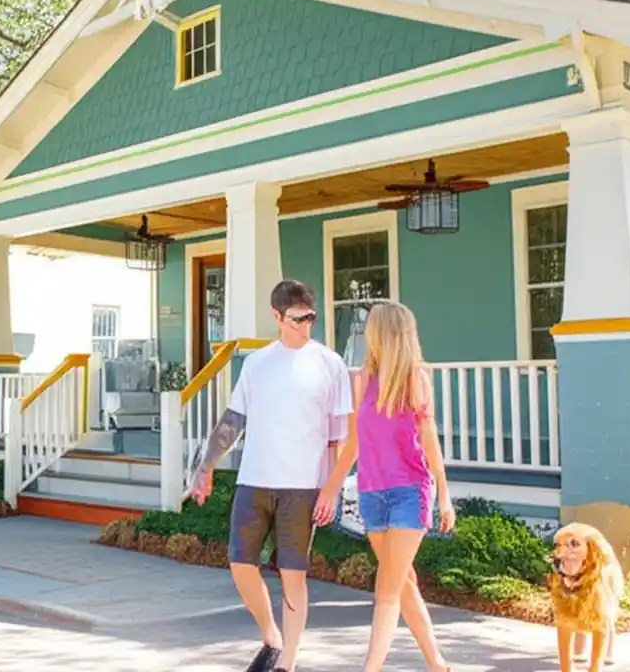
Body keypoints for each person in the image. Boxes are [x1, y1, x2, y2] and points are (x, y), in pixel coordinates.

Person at [190, 279, 352, 672]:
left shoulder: (329, 364)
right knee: (240, 564)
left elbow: (342, 438)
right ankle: (271, 636)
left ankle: (288, 664)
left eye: (310, 318)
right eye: (296, 319)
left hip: (302, 487)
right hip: (255, 480)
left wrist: (333, 488)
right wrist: (205, 465)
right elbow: (233, 421)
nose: (304, 326)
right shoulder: (258, 363)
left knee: (293, 576)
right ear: (277, 317)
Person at [314, 301, 455, 672]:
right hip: (371, 494)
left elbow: (429, 439)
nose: (366, 336)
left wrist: (444, 495)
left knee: (387, 587)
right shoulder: (361, 381)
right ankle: (438, 665)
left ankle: (370, 668)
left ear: (384, 334)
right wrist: (331, 486)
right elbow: (355, 441)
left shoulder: (414, 379)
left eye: (371, 329)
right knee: (403, 582)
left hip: (410, 492)